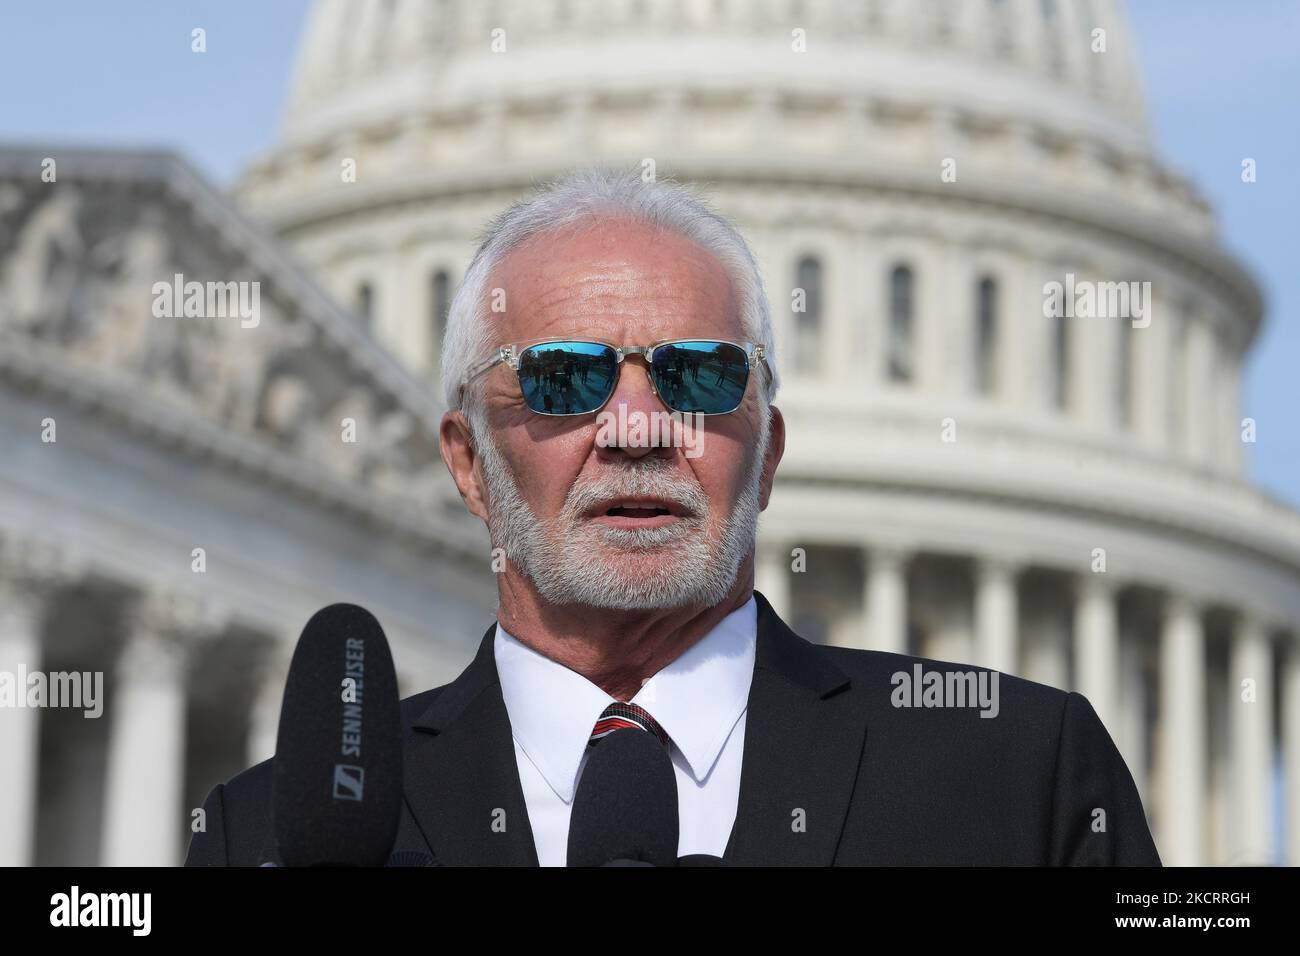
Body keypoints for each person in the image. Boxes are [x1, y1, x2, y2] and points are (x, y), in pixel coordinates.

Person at [186, 169, 1159, 866]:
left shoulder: (1022, 777)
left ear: (767, 450)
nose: (640, 425)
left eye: (699, 373)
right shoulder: (269, 836)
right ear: (467, 462)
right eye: (564, 377)